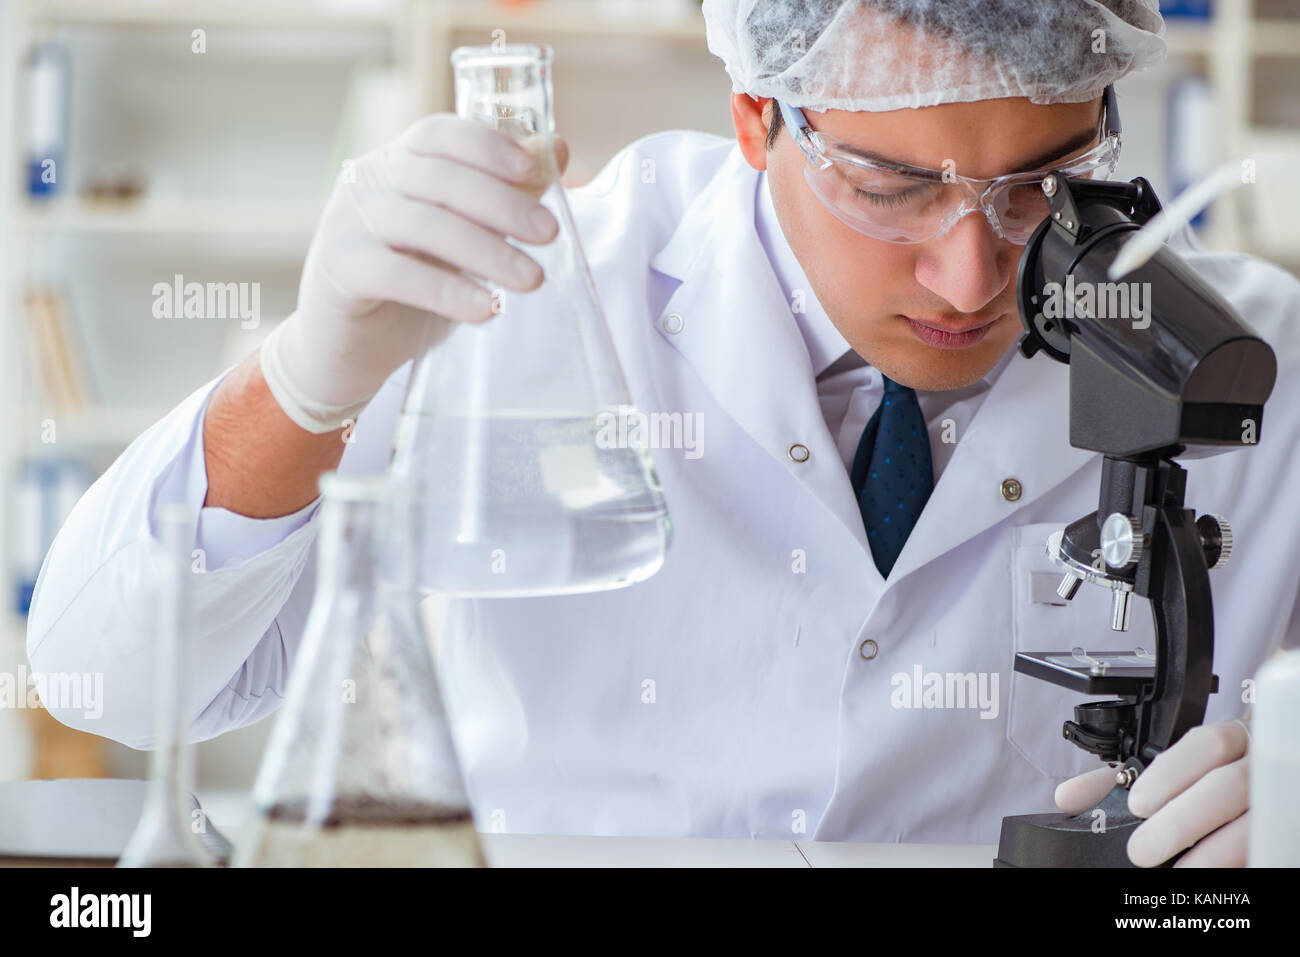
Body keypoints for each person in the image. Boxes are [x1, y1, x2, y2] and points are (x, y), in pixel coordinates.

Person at [27, 0, 1300, 865]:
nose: (967, 273)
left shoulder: (1255, 364)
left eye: (1036, 181)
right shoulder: (518, 298)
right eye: (889, 186)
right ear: (756, 115)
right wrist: (305, 382)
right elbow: (111, 686)